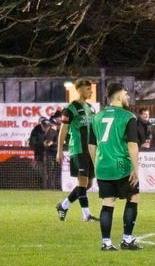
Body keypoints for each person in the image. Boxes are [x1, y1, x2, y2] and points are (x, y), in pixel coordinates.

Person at [87, 81, 147, 251]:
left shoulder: (96, 117)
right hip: (121, 166)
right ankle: (127, 240)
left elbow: (92, 146)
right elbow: (132, 145)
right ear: (120, 94)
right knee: (133, 198)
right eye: (127, 94)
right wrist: (135, 170)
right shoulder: (128, 117)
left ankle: (106, 243)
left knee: (108, 203)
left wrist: (97, 165)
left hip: (103, 167)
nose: (128, 97)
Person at [56, 79, 98, 223]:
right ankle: (86, 215)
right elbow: (63, 130)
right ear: (79, 89)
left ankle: (63, 205)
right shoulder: (70, 108)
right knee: (82, 182)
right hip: (78, 149)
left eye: (90, 89)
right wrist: (59, 150)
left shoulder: (91, 108)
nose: (91, 92)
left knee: (89, 184)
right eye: (88, 89)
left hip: (90, 150)